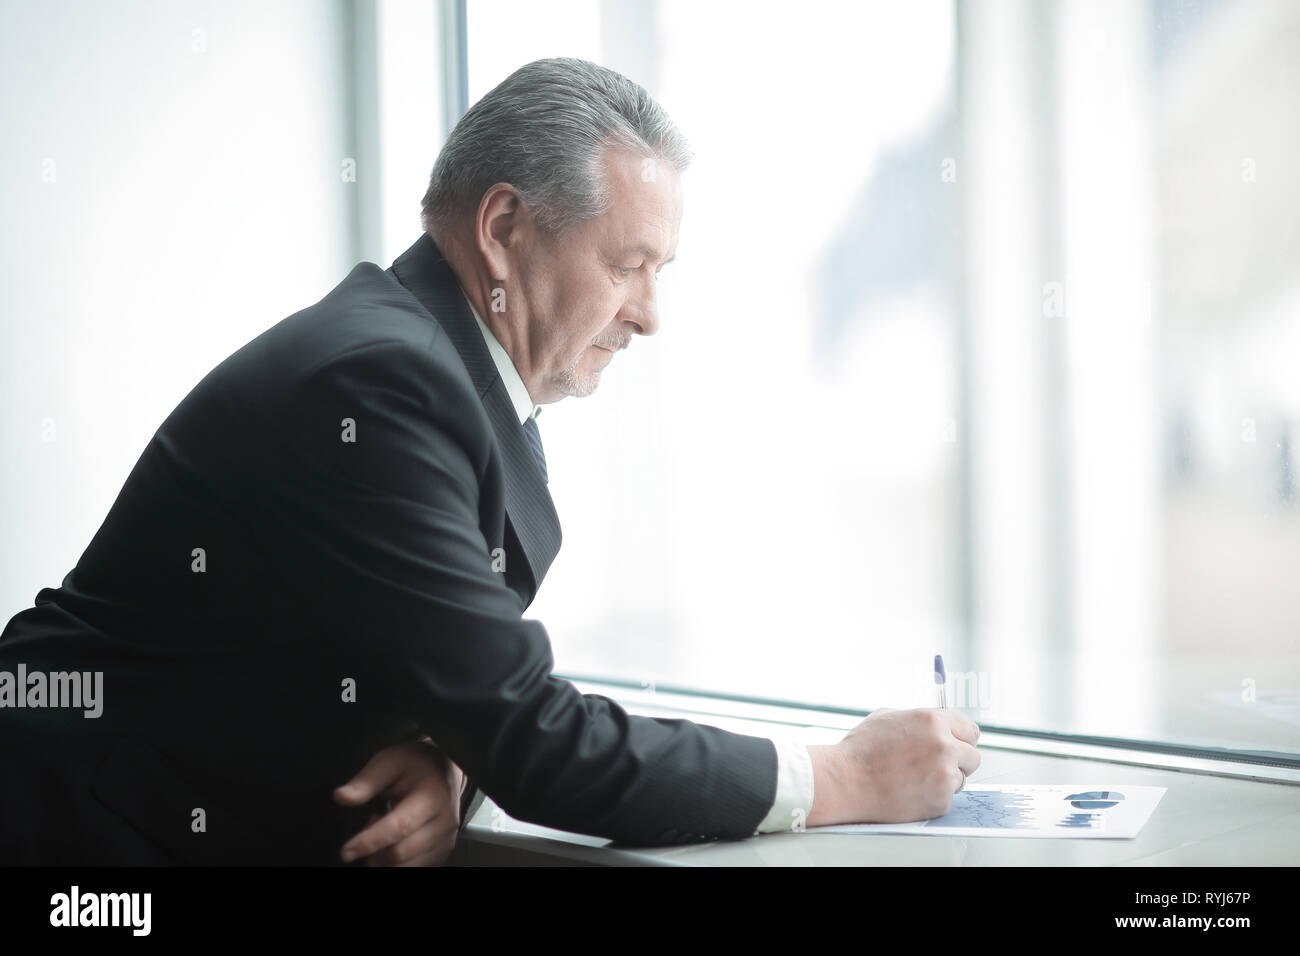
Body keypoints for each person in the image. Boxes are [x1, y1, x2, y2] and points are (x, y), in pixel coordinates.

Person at [0, 57, 980, 866]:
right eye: (626, 264)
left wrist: (449, 752)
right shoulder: (380, 385)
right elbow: (531, 731)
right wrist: (844, 776)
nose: (647, 313)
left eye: (658, 272)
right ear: (503, 230)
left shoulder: (429, 370)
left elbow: (447, 667)